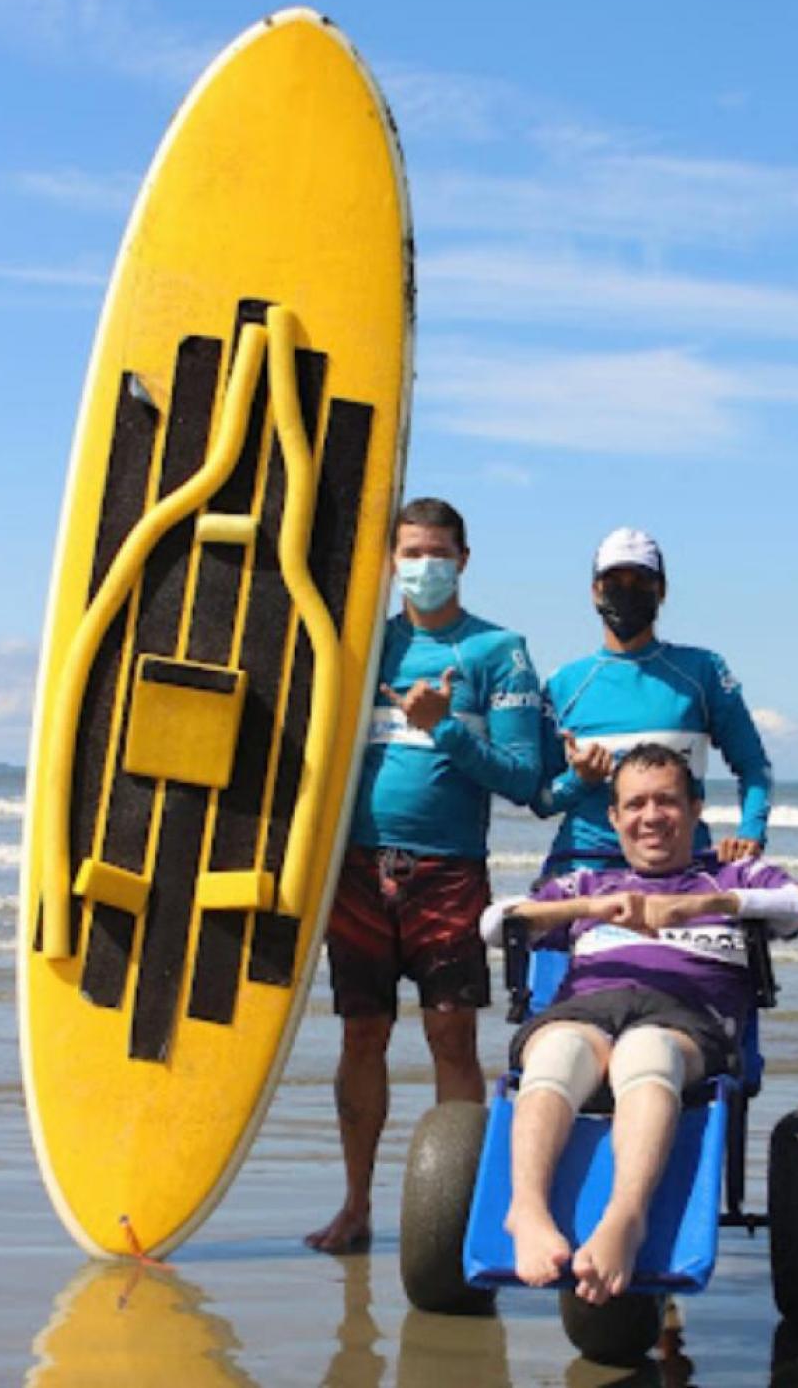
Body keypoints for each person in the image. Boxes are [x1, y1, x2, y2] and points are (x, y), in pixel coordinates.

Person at [481, 742, 798, 1304]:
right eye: (635, 804)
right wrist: (590, 911)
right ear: (614, 817)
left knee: (644, 1053)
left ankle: (626, 1217)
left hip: (685, 1019)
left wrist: (704, 907)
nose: (651, 817)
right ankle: (525, 1209)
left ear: (695, 809)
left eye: (666, 802)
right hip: (589, 1010)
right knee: (555, 1054)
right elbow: (496, 924)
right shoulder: (588, 885)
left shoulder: (733, 875)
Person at [306, 497, 542, 1254]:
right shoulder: (362, 648)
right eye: (410, 553)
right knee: (361, 1035)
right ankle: (354, 1207)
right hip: (359, 870)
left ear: (464, 560)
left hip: (449, 874)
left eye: (438, 553)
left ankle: (459, 1217)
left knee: (450, 1037)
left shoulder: (499, 652)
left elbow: (523, 777)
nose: (424, 566)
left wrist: (443, 725)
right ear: (390, 561)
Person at [535, 527, 774, 871]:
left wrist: (751, 834)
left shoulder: (703, 670)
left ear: (661, 591)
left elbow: (754, 767)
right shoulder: (564, 684)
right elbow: (542, 800)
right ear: (595, 591)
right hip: (583, 870)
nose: (627, 591)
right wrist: (579, 780)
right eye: (615, 581)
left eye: (640, 581)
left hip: (682, 869)